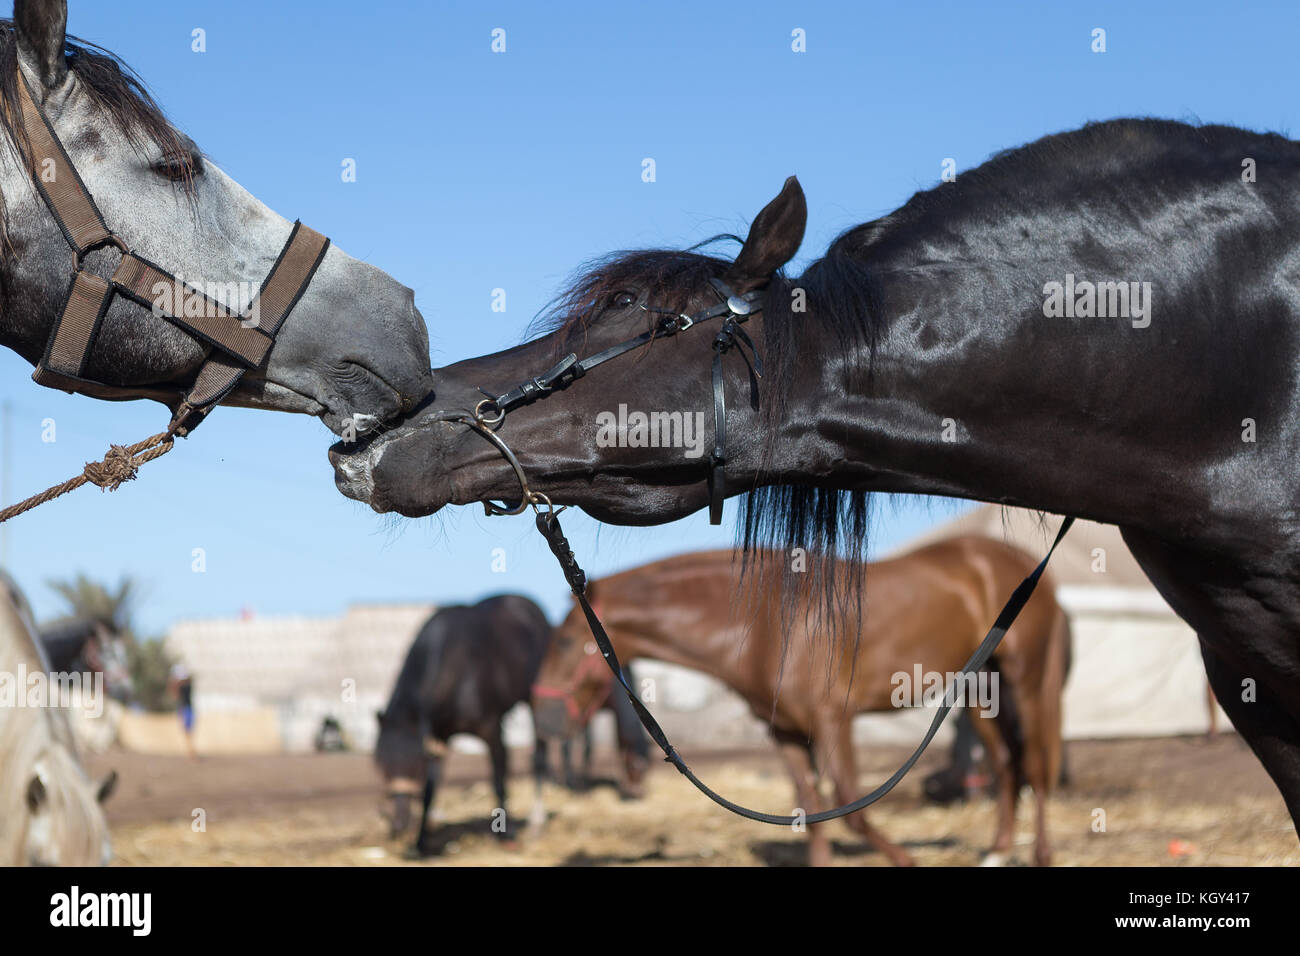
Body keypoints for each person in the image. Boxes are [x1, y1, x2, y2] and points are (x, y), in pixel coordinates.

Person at [168, 661, 197, 759]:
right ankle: (190, 750)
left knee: (189, 730)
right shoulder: (180, 685)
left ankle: (190, 750)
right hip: (184, 708)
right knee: (186, 730)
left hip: (188, 708)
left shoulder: (186, 683)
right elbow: (174, 695)